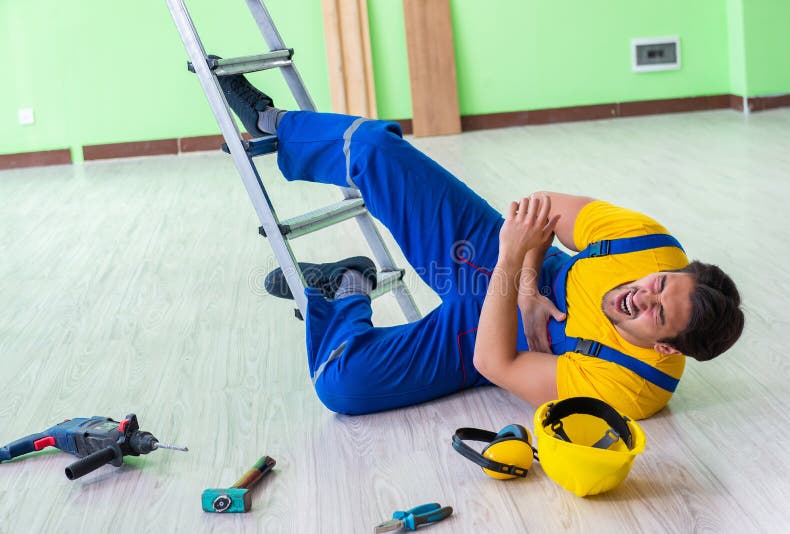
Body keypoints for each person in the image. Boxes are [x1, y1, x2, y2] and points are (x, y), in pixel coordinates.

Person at [216, 72, 745, 419]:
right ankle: (276, 124)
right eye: (660, 285)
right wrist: (528, 282)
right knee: (377, 150)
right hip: (506, 261)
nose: (641, 295)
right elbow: (540, 208)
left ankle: (347, 285)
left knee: (341, 387)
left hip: (491, 336)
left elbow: (496, 365)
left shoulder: (632, 386)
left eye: (655, 314)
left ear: (666, 348)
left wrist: (515, 268)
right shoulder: (650, 247)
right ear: (674, 270)